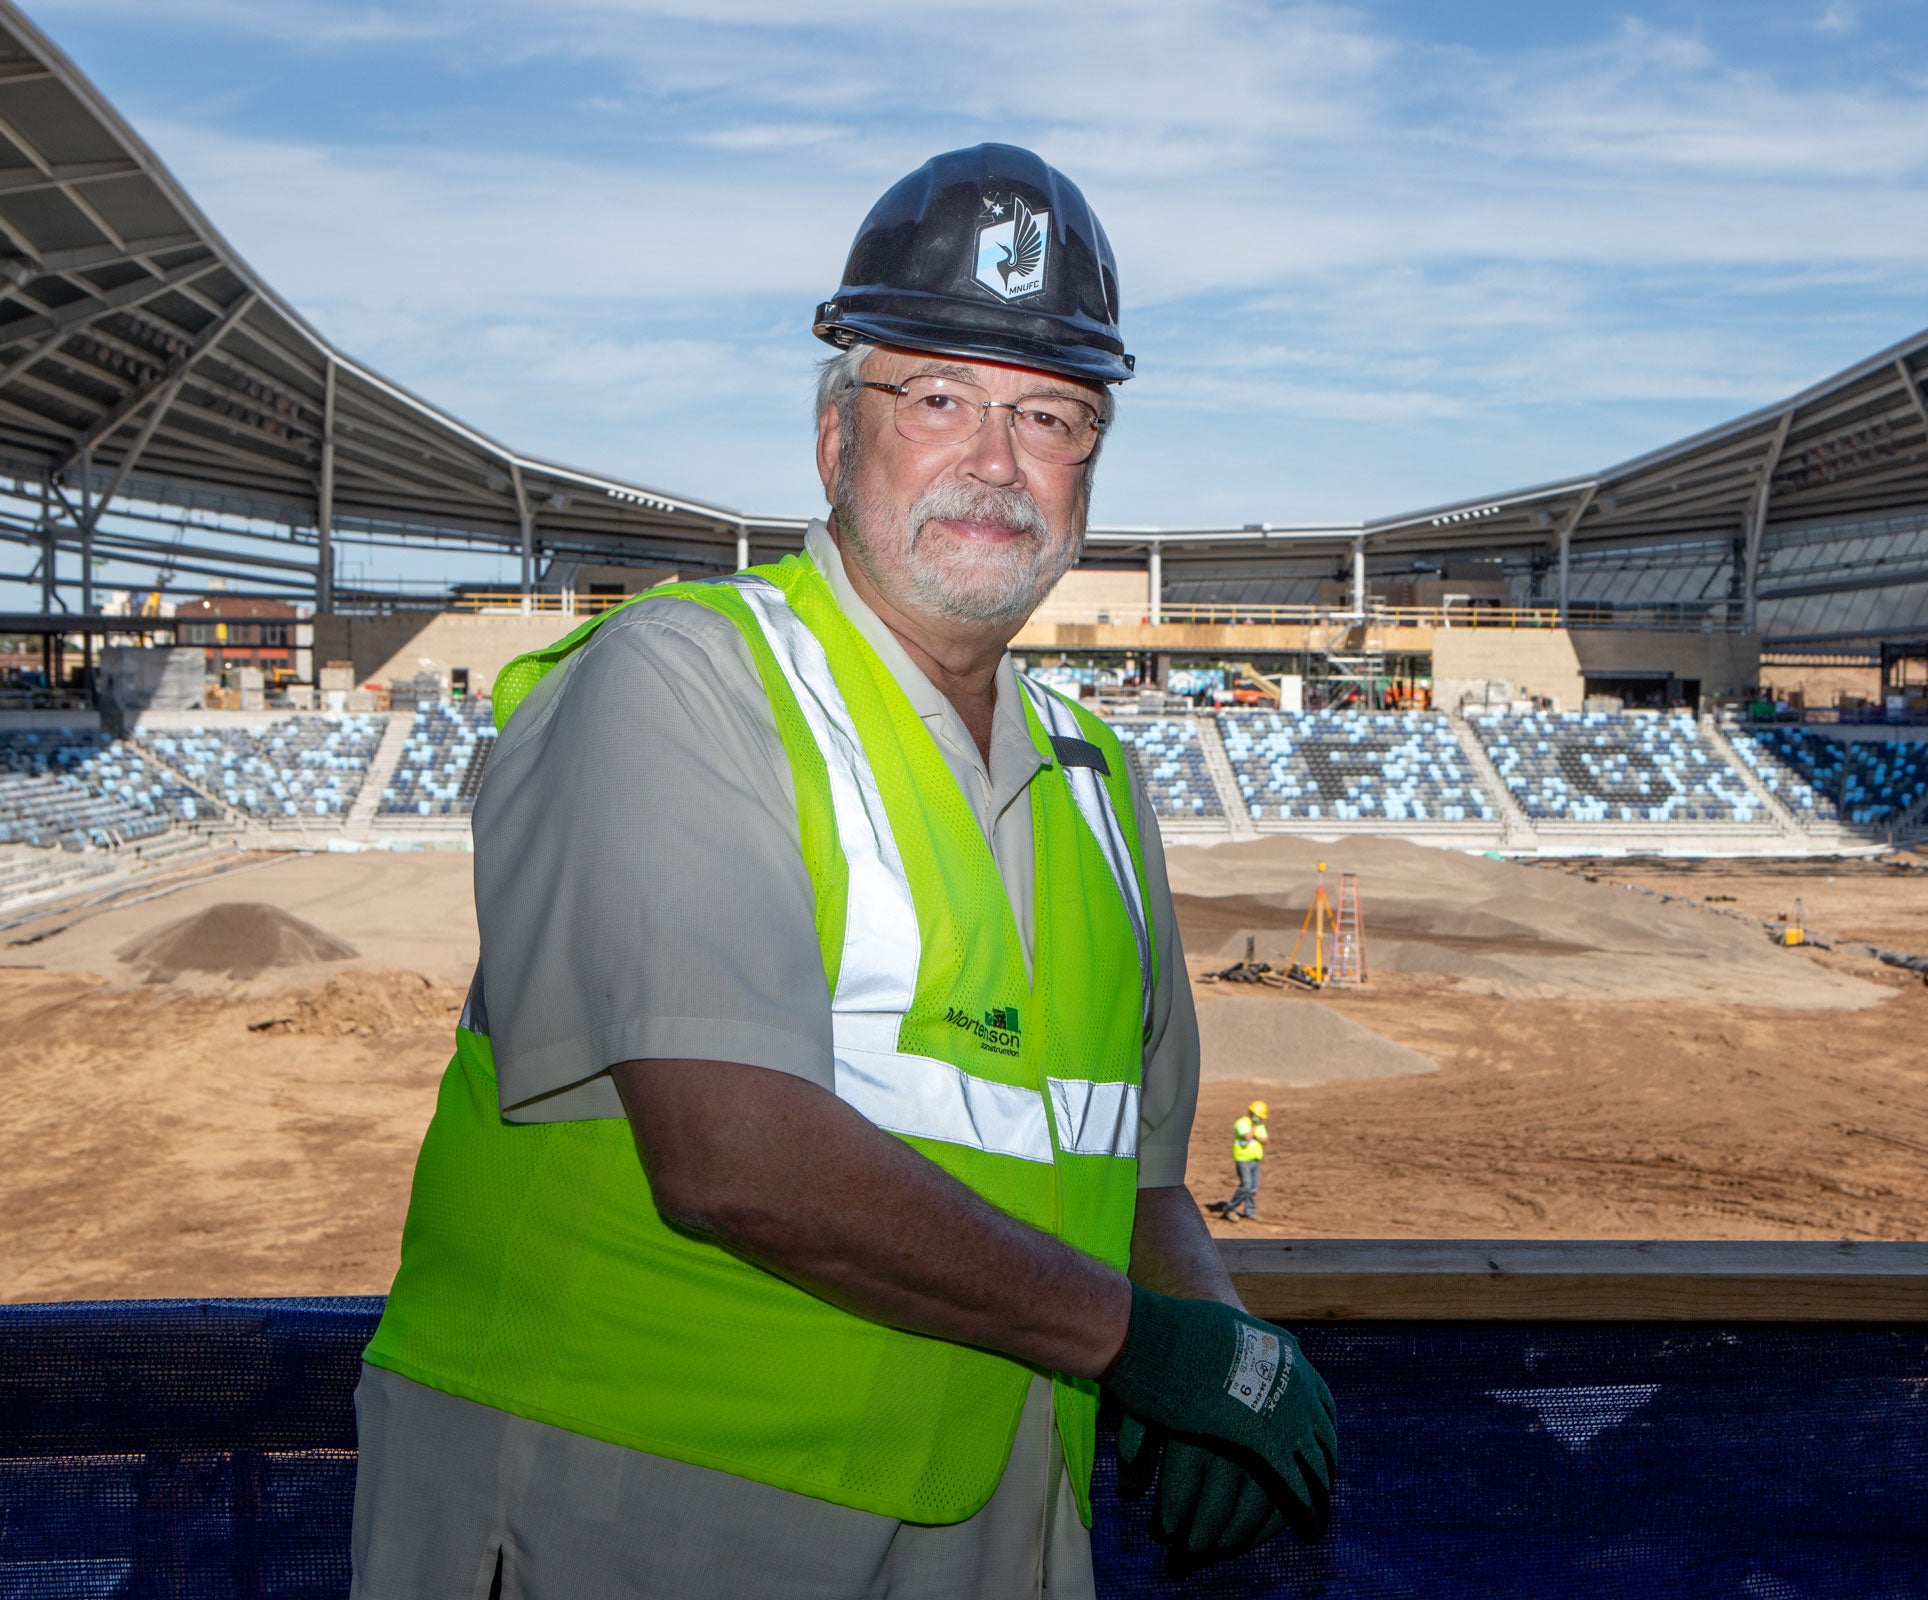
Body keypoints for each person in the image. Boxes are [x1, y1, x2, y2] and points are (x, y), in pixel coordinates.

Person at [349, 144, 1335, 1600]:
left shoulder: (1098, 779)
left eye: (1050, 416)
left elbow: (1137, 1180)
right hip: (637, 1524)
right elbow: (733, 1152)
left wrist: (1225, 1341)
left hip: (1002, 1532)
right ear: (833, 438)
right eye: (937, 398)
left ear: (1088, 469)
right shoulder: (682, 682)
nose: (995, 460)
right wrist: (1146, 1346)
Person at [1214, 1101, 1269, 1221]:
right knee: (1246, 1185)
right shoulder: (1242, 1123)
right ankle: (1230, 1208)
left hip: (1255, 1159)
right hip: (1242, 1159)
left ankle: (1250, 1211)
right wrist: (1254, 1128)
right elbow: (1247, 1137)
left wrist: (1256, 1132)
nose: (1260, 1119)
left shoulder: (1260, 1125)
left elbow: (1265, 1140)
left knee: (1253, 1188)